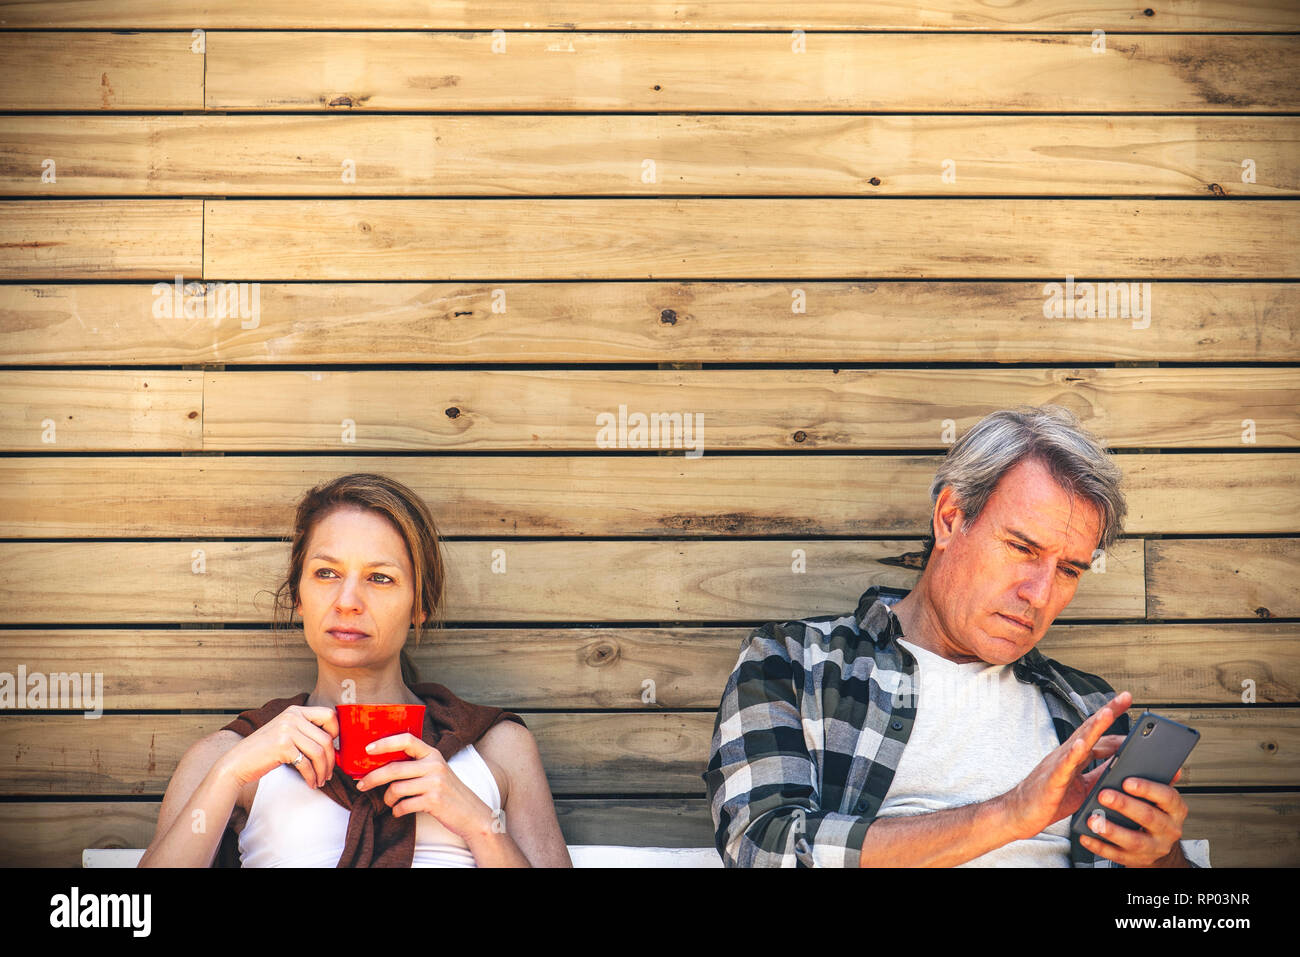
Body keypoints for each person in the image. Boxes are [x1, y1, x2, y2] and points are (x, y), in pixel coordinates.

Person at [704, 405, 1207, 867]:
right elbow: (763, 847)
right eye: (1022, 548)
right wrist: (1009, 814)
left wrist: (1160, 857)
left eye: (1069, 570)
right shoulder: (797, 663)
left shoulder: (1088, 710)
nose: (1039, 593)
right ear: (950, 519)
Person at [140, 473, 571, 867]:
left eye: (380, 578)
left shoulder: (498, 749)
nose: (348, 600)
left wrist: (481, 826)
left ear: (420, 605)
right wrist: (230, 776)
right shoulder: (231, 756)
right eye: (326, 573)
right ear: (298, 596)